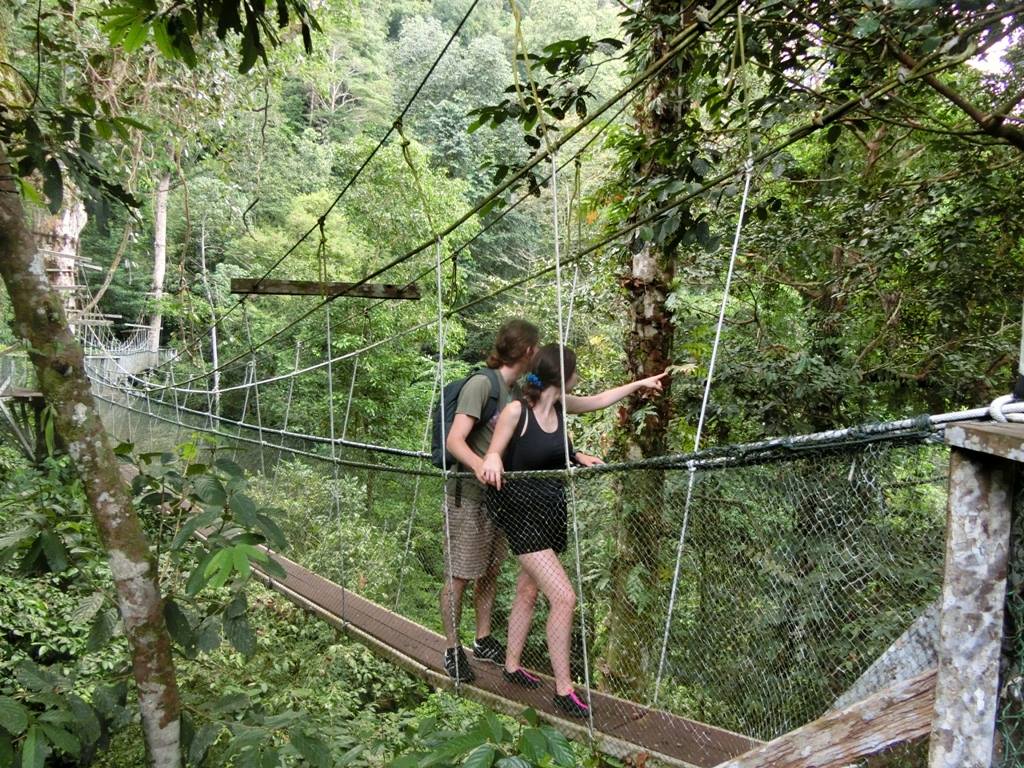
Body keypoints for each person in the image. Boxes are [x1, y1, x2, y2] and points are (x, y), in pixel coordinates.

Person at [480, 344, 666, 718]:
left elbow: (599, 400)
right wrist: (494, 460)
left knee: (528, 589)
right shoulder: (518, 411)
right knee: (564, 598)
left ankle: (513, 666)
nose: (578, 376)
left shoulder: (561, 408)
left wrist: (640, 384)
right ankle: (564, 690)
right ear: (559, 376)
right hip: (521, 515)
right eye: (574, 371)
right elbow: (494, 452)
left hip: (550, 511)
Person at [440, 318, 540, 683]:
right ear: (527, 350)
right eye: (537, 348)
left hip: (498, 499)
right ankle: (452, 649)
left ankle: (482, 639)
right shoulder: (483, 384)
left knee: (490, 571)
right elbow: (455, 440)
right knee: (461, 575)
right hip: (467, 494)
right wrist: (482, 465)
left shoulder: (519, 390)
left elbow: (566, 400)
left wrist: (634, 386)